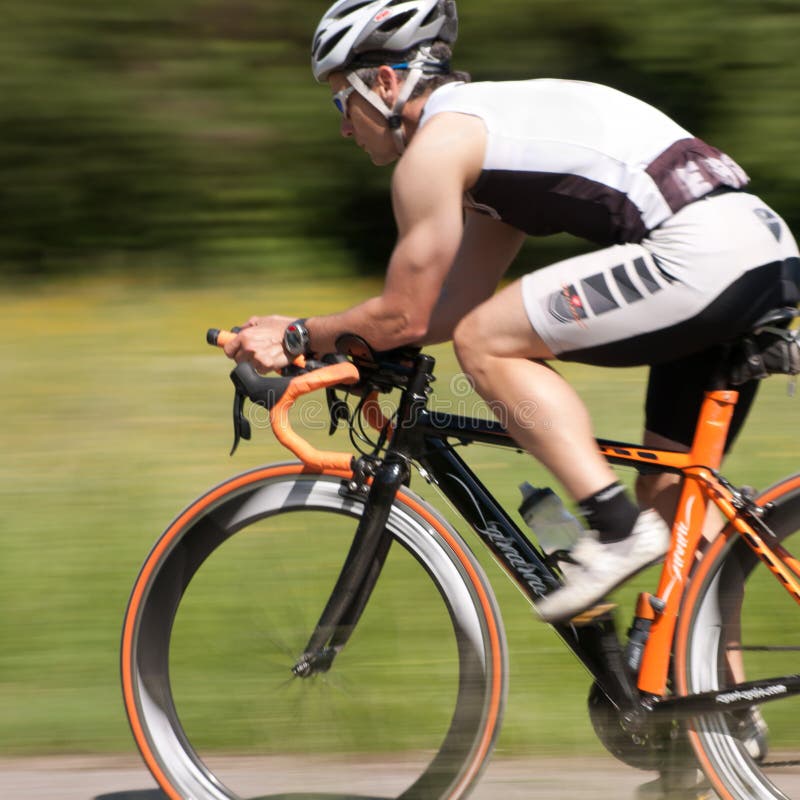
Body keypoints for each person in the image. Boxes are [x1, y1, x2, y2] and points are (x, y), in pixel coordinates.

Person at [223, 0, 800, 626]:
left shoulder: (435, 151)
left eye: (342, 102)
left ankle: (611, 526)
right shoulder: (491, 137)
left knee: (486, 342)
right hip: (761, 251)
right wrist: (350, 345)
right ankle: (716, 708)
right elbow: (447, 304)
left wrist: (300, 334)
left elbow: (408, 315)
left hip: (701, 253)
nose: (342, 126)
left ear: (385, 83)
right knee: (671, 502)